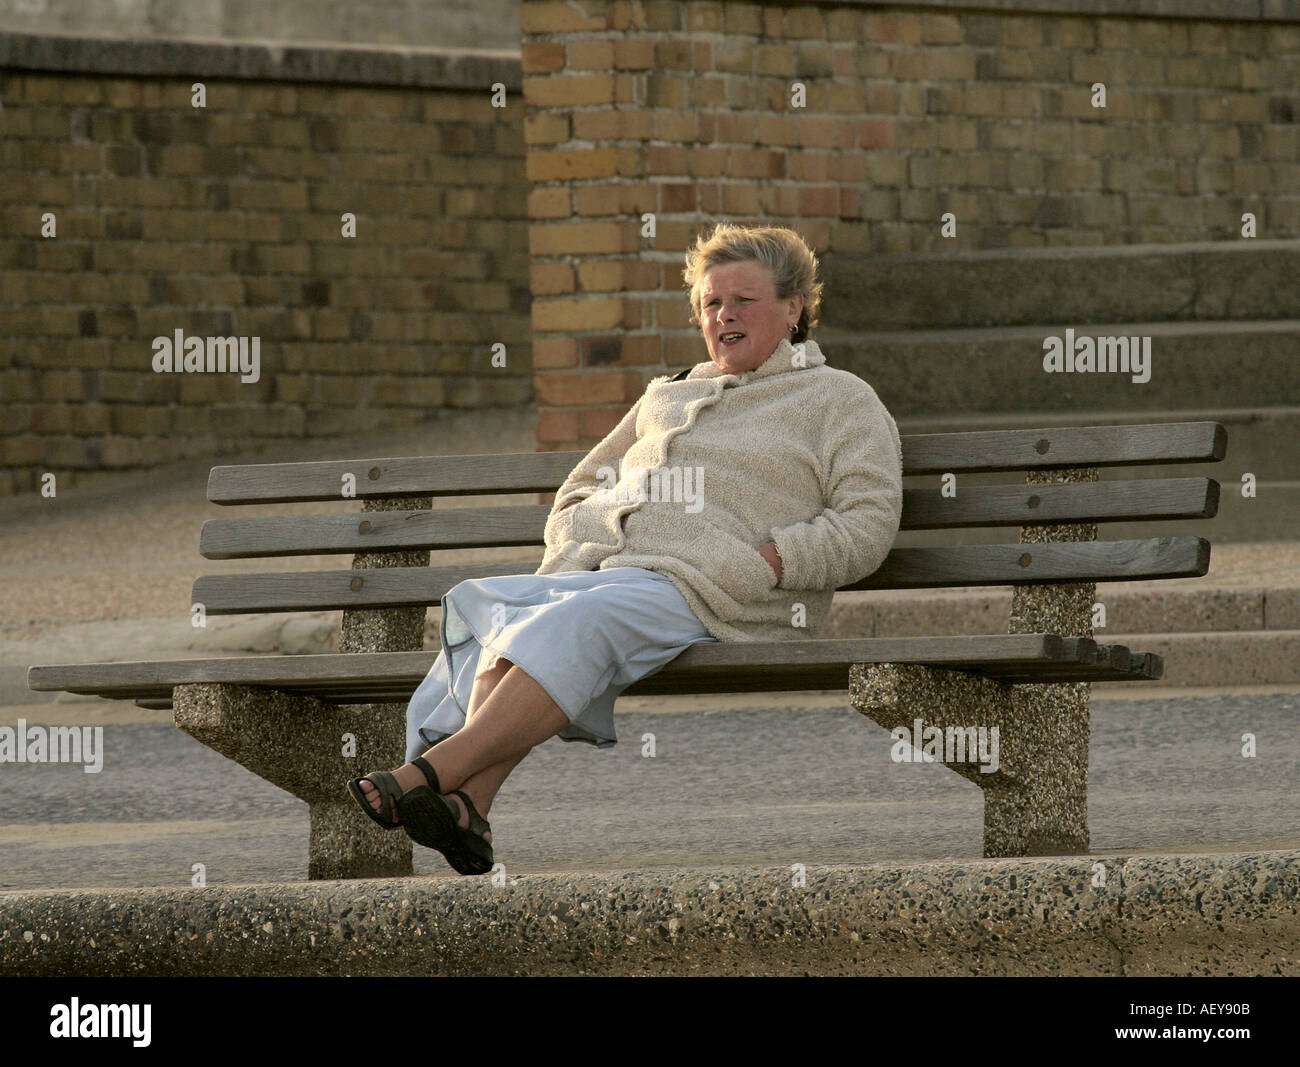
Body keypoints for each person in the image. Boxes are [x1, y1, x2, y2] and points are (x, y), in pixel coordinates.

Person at [347, 222, 904, 875]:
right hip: (612, 576)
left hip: (726, 591)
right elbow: (582, 483)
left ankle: (429, 770)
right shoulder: (669, 392)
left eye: (743, 300)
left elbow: (867, 523)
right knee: (489, 607)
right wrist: (583, 532)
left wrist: (764, 561)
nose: (724, 314)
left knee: (575, 619)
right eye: (711, 303)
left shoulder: (839, 399)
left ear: (794, 308)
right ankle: (472, 805)